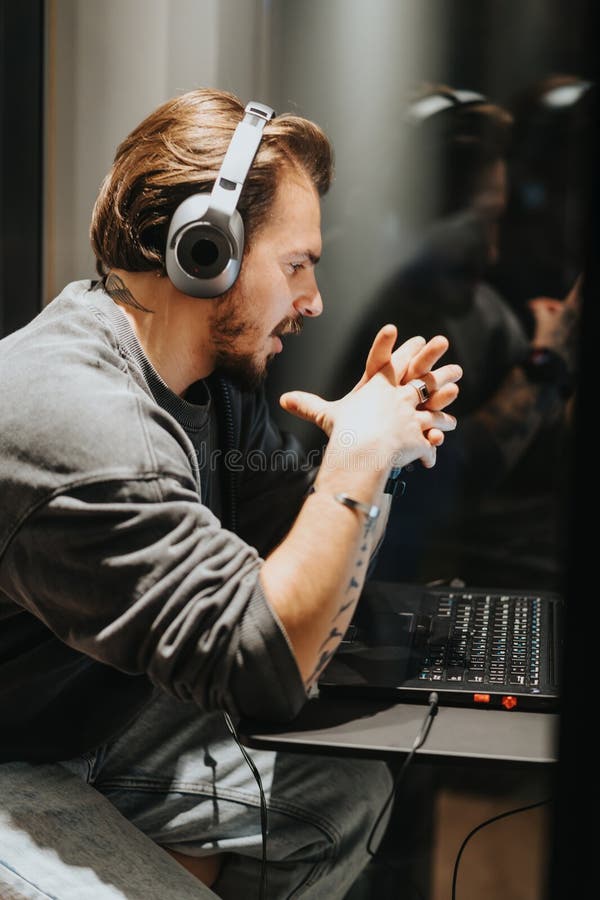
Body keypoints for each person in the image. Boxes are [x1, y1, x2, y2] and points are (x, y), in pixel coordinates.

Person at [0, 88, 461, 898]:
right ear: (200, 251)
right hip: (11, 757)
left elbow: (292, 564)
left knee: (342, 798)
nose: (313, 300)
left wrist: (373, 453)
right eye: (296, 265)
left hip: (82, 716)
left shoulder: (210, 387)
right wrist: (353, 458)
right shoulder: (84, 426)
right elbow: (266, 665)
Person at [329, 84, 579, 589]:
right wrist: (550, 355)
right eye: (479, 226)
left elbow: (545, 445)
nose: (491, 253)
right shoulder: (364, 316)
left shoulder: (479, 307)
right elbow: (453, 474)